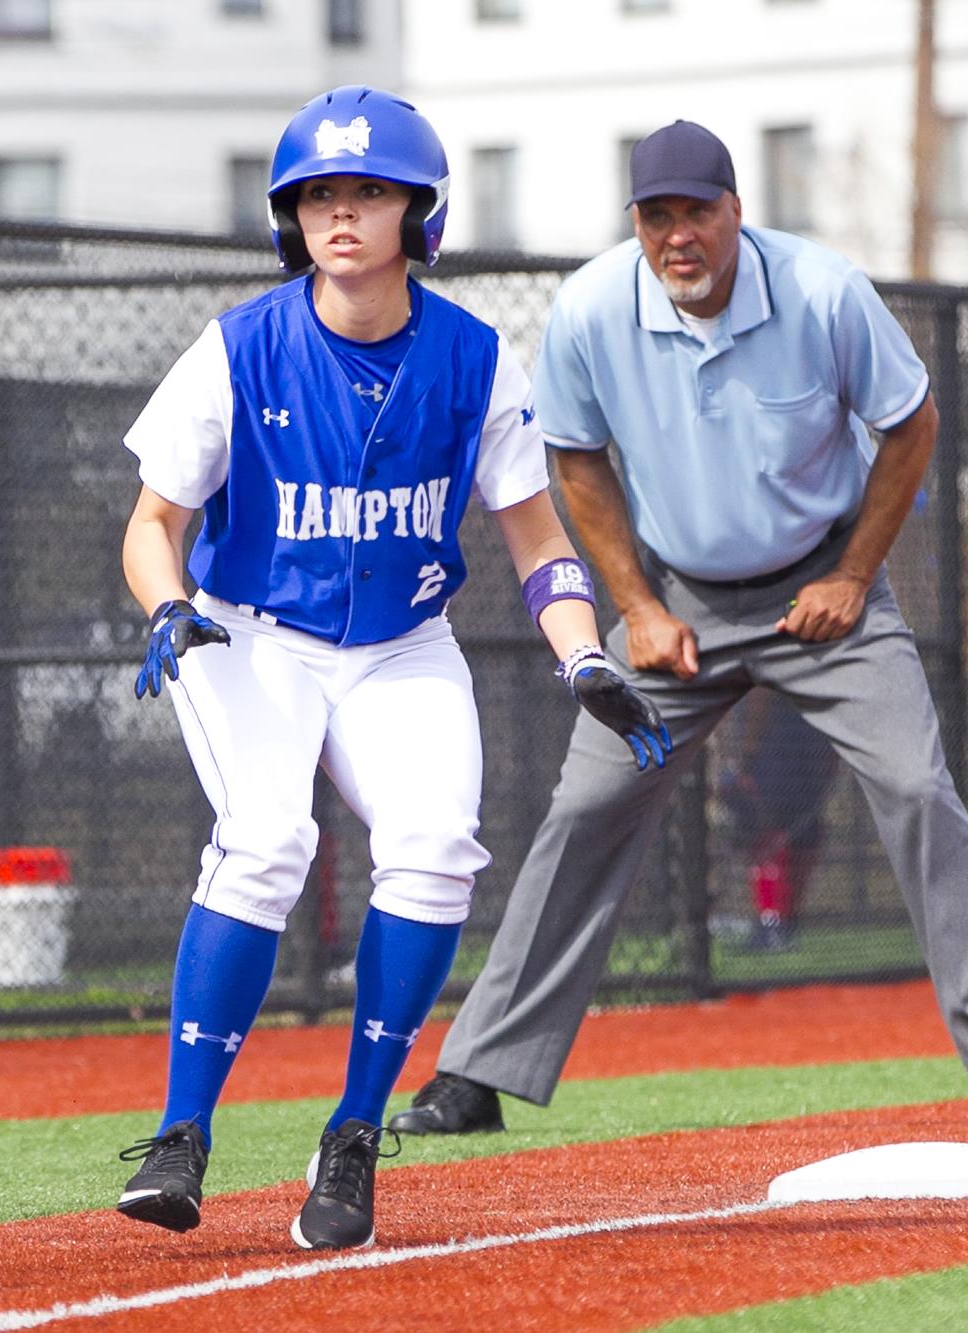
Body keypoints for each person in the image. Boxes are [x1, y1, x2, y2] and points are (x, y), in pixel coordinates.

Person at [390, 119, 968, 1140]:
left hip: (824, 594)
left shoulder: (820, 291)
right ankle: (474, 1075)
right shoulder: (589, 309)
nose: (678, 235)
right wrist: (634, 605)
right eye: (655, 215)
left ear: (733, 213)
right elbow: (575, 460)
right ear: (635, 223)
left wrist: (852, 574)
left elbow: (911, 423)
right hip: (676, 602)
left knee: (913, 787)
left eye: (697, 212)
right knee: (583, 806)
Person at [110, 86, 671, 1253]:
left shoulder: (474, 360)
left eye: (368, 191)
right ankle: (180, 1132)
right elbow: (152, 520)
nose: (341, 212)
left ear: (420, 213)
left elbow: (533, 534)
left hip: (402, 642)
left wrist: (582, 656)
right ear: (290, 219)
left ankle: (354, 1130)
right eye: (318, 193)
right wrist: (167, 608)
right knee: (266, 843)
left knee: (433, 851)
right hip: (246, 633)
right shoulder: (236, 350)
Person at [716, 693, 840, 951]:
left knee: (774, 831)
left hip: (779, 747)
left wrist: (745, 757)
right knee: (795, 831)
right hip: (811, 740)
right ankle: (781, 923)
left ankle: (773, 924)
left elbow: (757, 696)